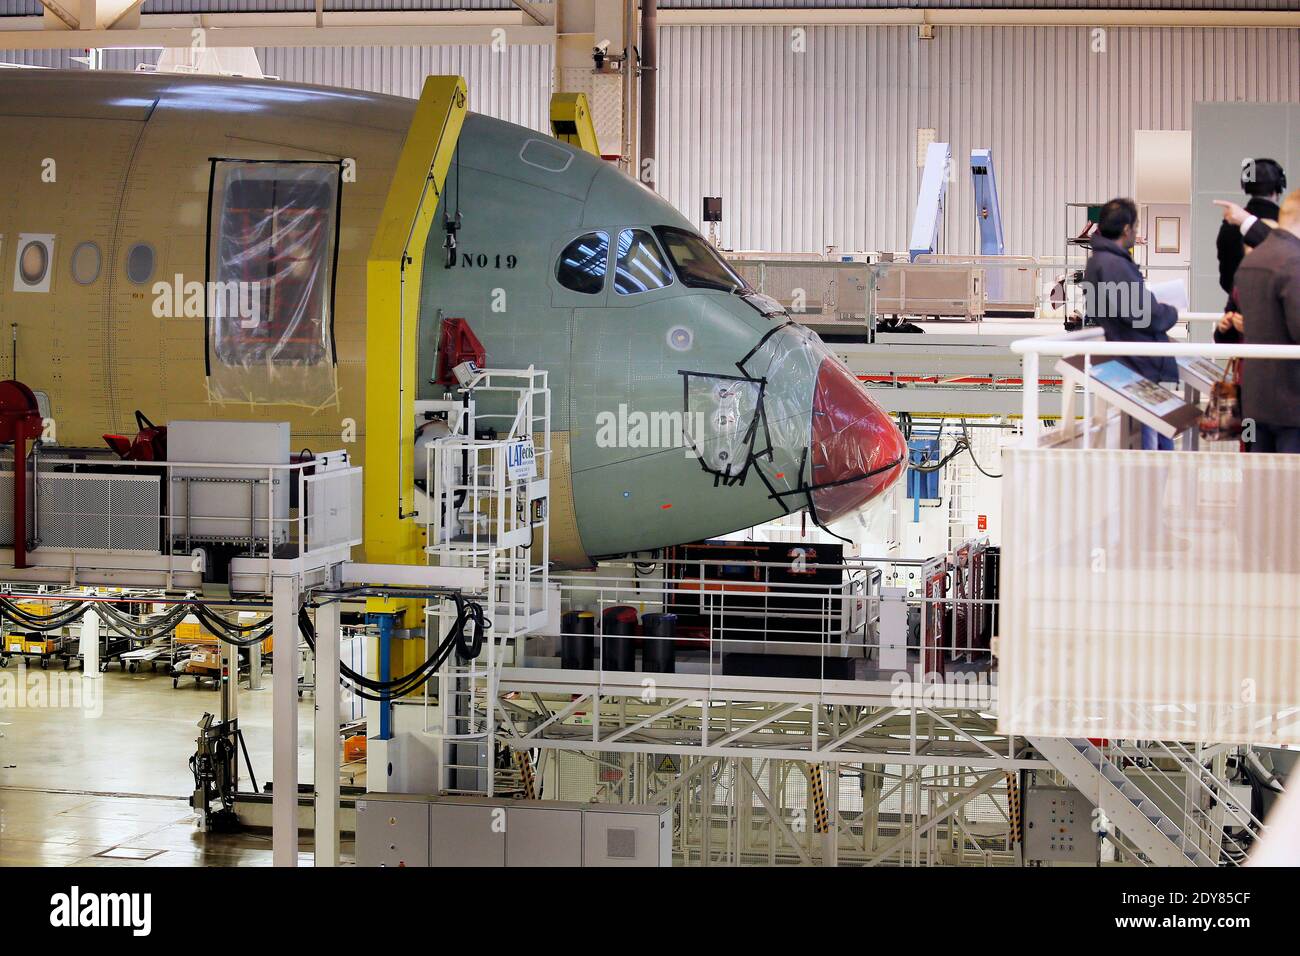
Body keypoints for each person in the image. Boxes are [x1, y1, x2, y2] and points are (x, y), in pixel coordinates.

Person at [1082, 197, 1180, 450]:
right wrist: (1170, 312)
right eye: (1135, 228)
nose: (1136, 234)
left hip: (1129, 359)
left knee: (1151, 439)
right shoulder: (1114, 264)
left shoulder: (1100, 262)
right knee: (1155, 445)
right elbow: (1143, 313)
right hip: (1140, 362)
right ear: (1127, 228)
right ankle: (1154, 490)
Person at [1230, 188, 1300, 453]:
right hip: (1293, 399)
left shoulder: (1252, 261)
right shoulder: (1294, 262)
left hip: (1256, 397)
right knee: (1291, 487)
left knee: (1259, 482)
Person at [1214, 159, 1286, 338]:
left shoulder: (1230, 224)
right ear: (1278, 189)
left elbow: (1226, 279)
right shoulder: (1288, 226)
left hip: (1238, 314)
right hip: (1281, 321)